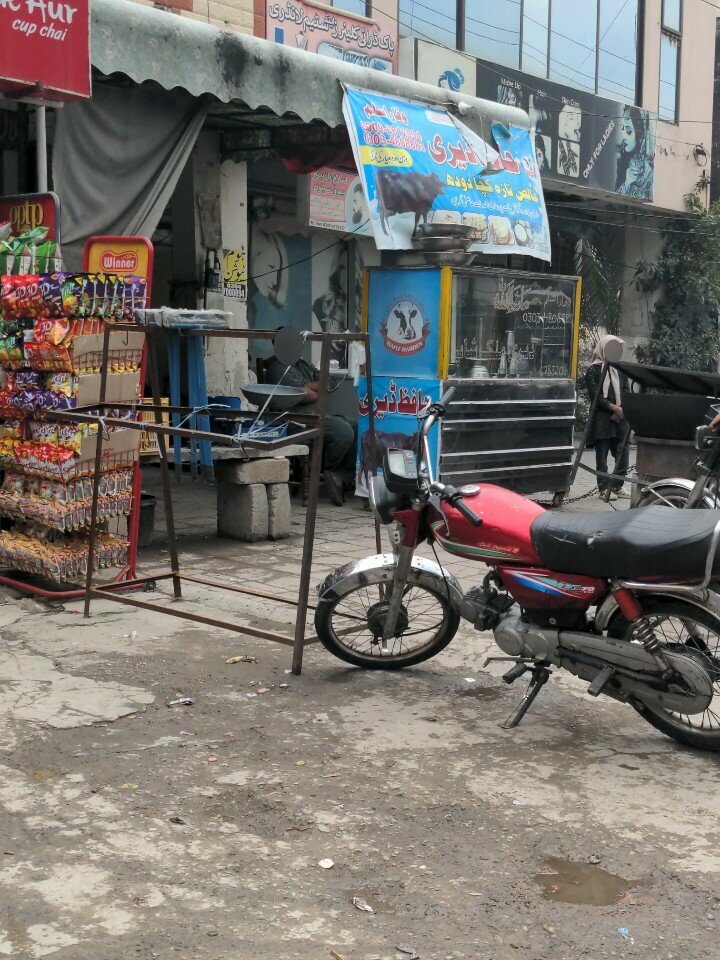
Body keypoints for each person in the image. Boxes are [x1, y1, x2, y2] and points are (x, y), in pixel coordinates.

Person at [265, 347, 357, 506]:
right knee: (344, 432)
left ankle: (340, 476)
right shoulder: (277, 367)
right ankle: (328, 470)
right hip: (294, 420)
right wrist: (315, 388)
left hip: (317, 415)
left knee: (356, 426)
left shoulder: (302, 364)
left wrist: (311, 386)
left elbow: (330, 383)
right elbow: (302, 395)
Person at [584, 335, 631, 501]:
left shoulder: (620, 370)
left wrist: (622, 409)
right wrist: (614, 408)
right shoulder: (593, 370)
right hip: (601, 419)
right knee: (602, 454)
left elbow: (626, 391)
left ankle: (618, 485)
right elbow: (596, 396)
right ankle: (603, 488)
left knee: (623, 452)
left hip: (620, 419)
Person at [615, 106, 653, 199]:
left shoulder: (650, 172)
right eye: (622, 129)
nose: (623, 136)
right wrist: (627, 182)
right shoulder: (619, 161)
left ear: (640, 136)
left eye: (628, 131)